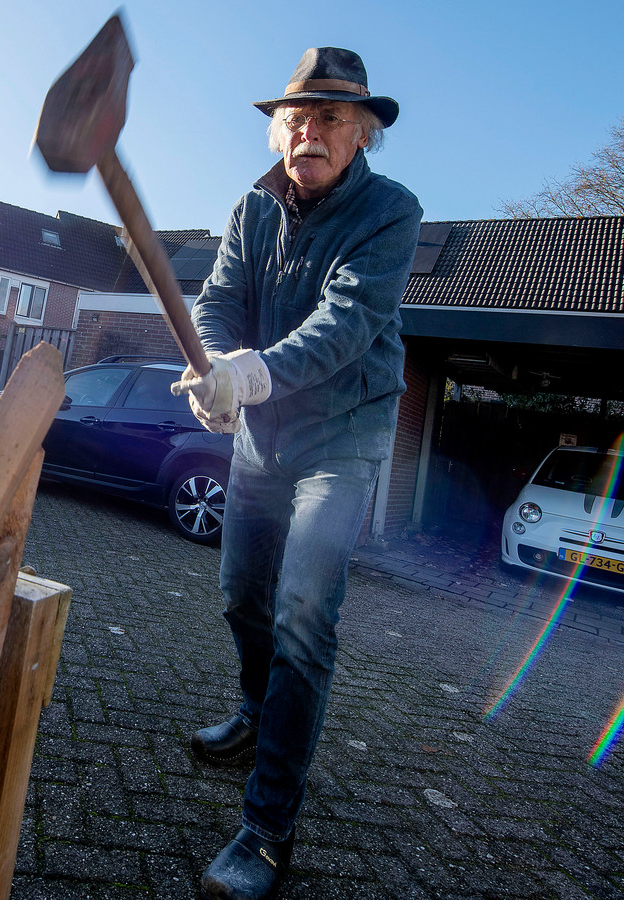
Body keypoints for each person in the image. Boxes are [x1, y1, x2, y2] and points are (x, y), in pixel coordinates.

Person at [171, 47, 422, 900]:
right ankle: (255, 710)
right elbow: (218, 297)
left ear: (362, 137)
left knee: (304, 613)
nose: (307, 130)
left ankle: (267, 827)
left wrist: (253, 375)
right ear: (279, 129)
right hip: (263, 437)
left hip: (343, 440)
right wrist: (214, 368)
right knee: (242, 594)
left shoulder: (393, 213)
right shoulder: (253, 204)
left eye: (329, 119)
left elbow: (347, 322)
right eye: (294, 117)